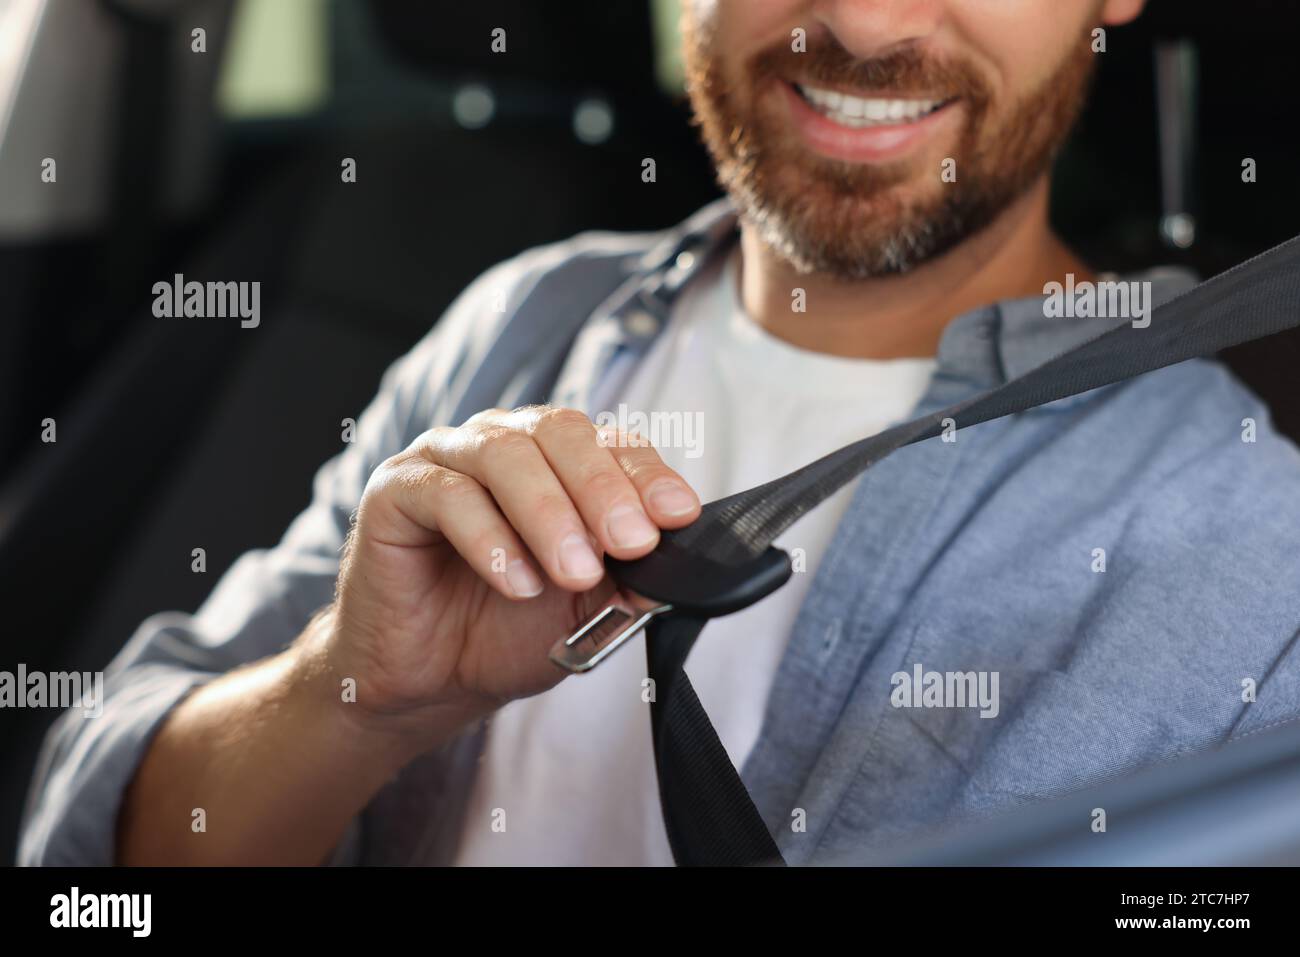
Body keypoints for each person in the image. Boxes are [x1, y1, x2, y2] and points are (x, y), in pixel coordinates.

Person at [22, 0, 1300, 866]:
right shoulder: (524, 323)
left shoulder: (1249, 537)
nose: (859, 23)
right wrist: (353, 703)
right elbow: (96, 858)